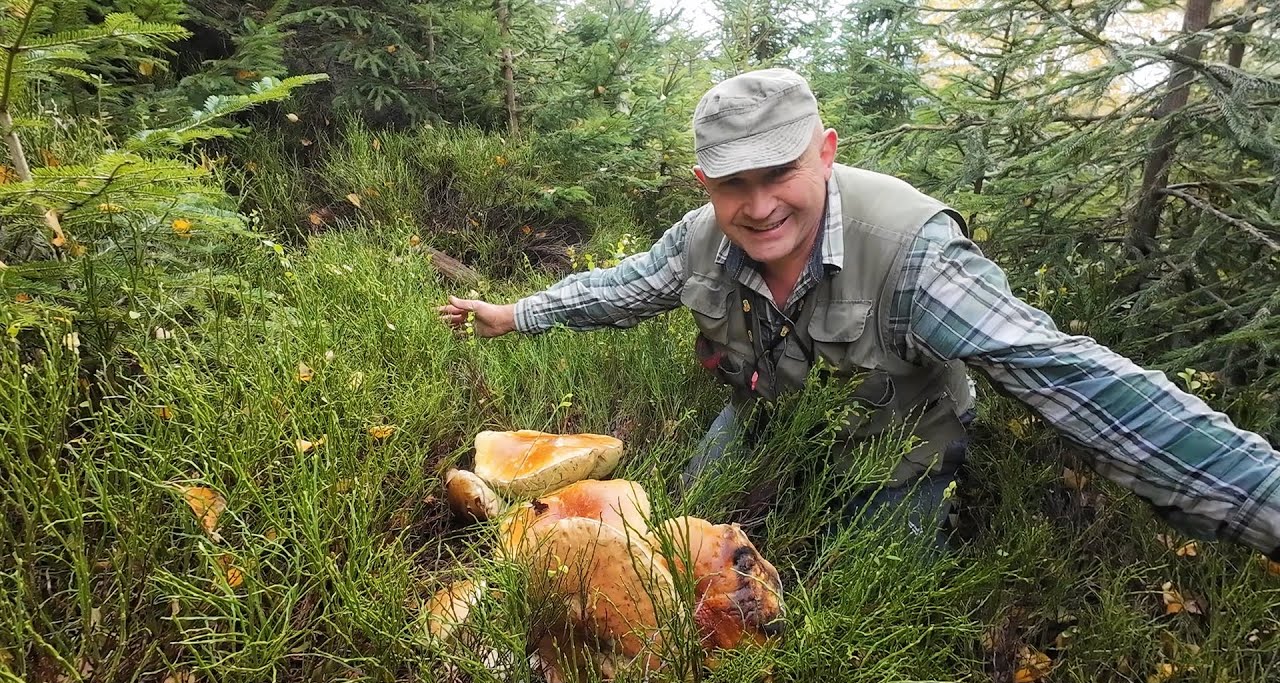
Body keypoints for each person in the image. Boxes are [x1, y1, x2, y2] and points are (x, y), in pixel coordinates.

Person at [438, 68, 1280, 558]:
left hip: (895, 444)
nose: (759, 204)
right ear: (705, 184)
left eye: (781, 172)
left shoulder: (912, 251)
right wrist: (518, 315)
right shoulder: (698, 238)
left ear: (827, 152)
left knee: (871, 574)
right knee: (672, 539)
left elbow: (1074, 379)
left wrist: (1260, 498)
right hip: (766, 416)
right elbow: (624, 285)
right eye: (733, 182)